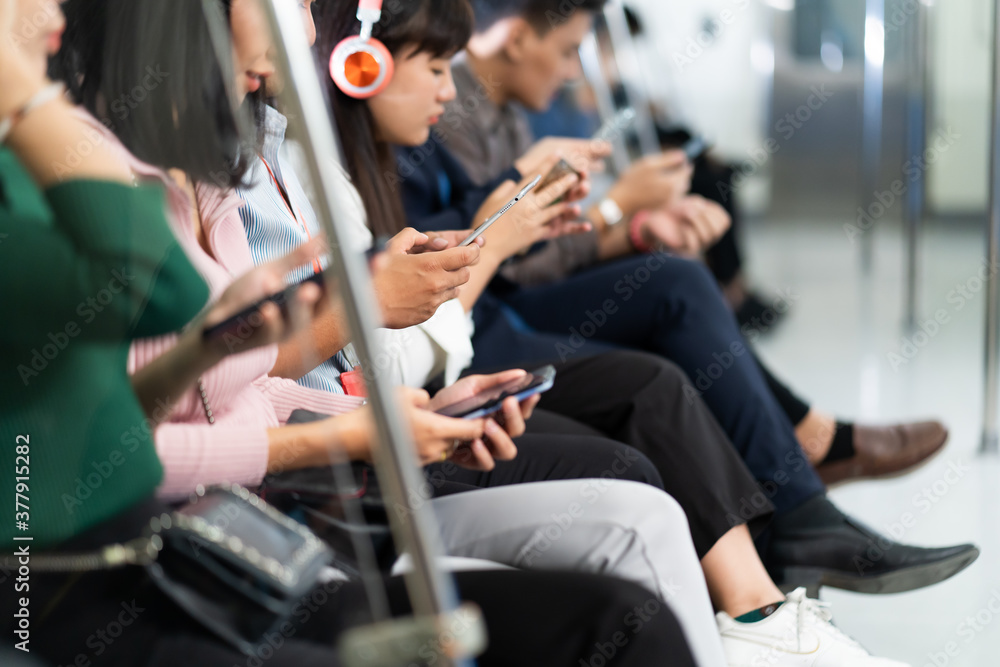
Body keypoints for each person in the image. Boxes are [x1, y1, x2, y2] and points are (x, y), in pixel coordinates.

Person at [1, 0, 704, 665]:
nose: (306, 34)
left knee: (631, 497)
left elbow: (229, 386)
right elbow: (141, 400)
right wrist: (351, 424)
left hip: (253, 504)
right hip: (189, 539)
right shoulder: (76, 183)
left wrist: (384, 416)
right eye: (290, 5)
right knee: (622, 540)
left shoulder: (208, 175)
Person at [402, 0, 978, 594]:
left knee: (676, 280)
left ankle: (803, 478)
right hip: (486, 315)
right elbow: (506, 260)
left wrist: (631, 225)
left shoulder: (502, 118)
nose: (575, 71)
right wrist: (617, 211)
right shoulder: (450, 126)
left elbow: (525, 244)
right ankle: (801, 482)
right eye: (569, 51)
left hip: (494, 303)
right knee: (670, 313)